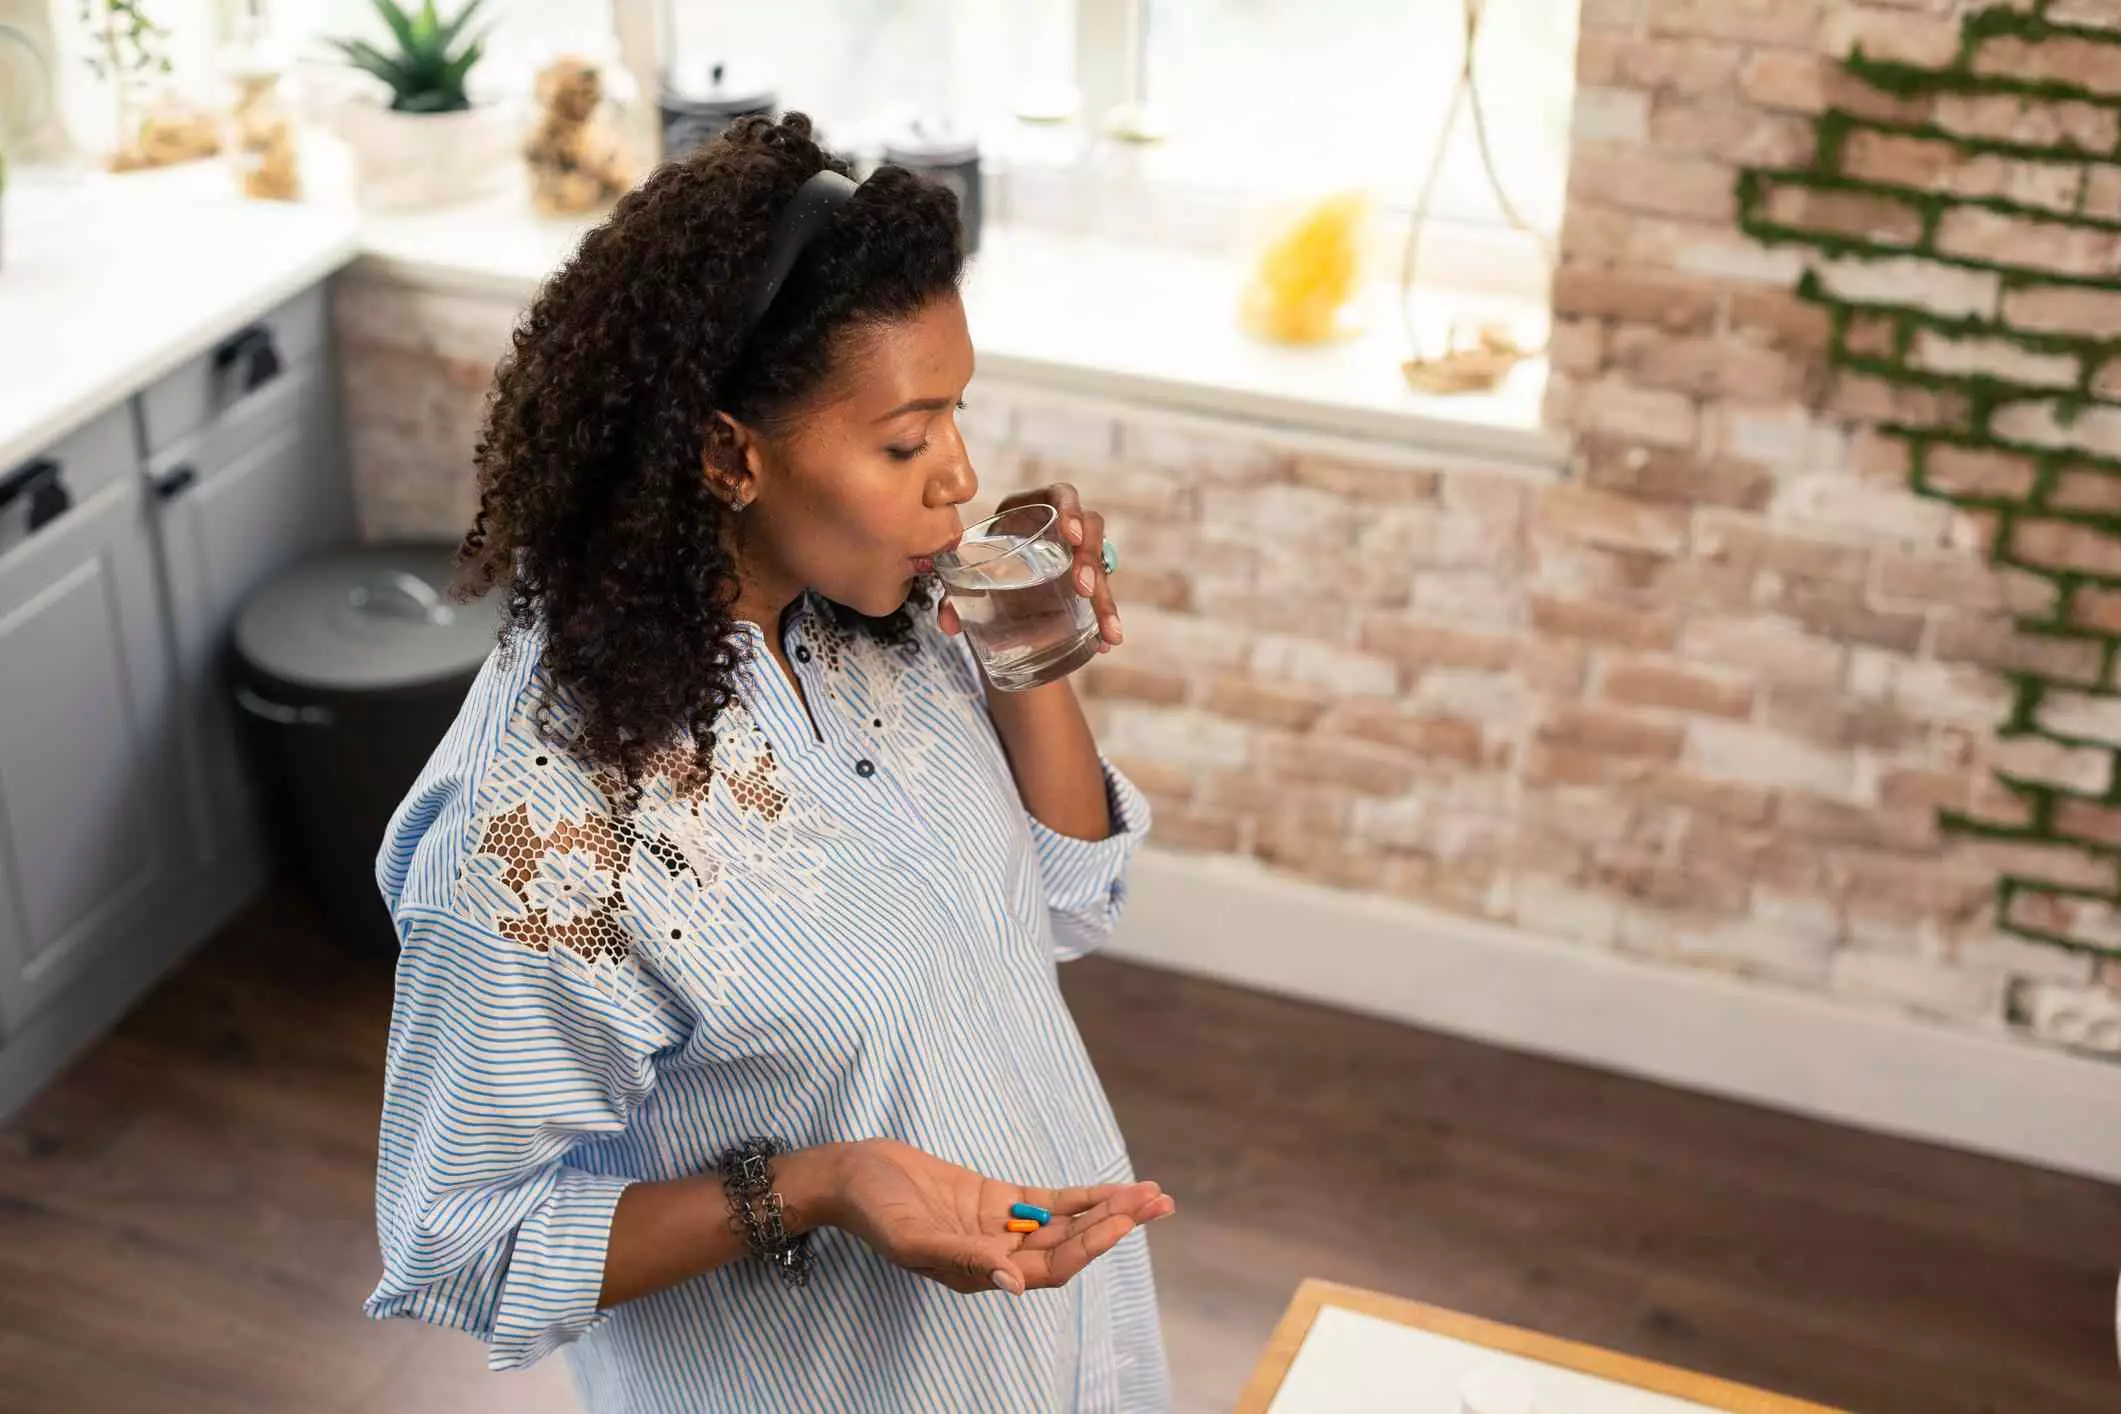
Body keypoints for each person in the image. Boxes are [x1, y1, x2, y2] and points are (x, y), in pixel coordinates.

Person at [363, 112, 1175, 1413]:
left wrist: (1027, 659)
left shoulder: (869, 616)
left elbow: (1071, 898)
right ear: (731, 452)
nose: (959, 476)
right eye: (907, 442)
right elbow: (457, 1249)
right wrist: (817, 1182)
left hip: (1063, 1349)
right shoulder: (542, 837)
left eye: (956, 415)